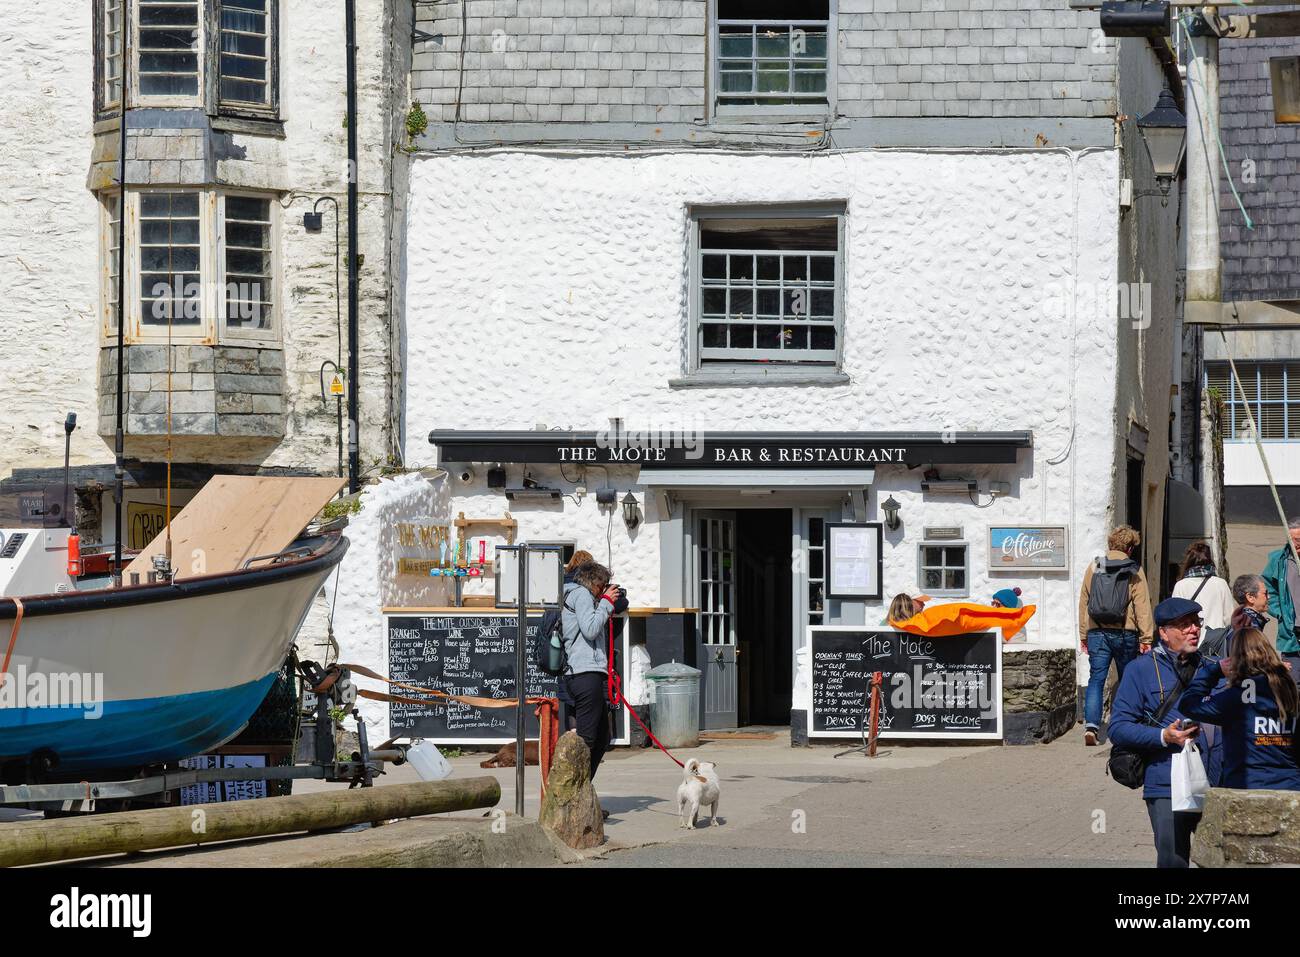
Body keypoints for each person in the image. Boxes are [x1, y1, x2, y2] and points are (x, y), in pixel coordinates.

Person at [1108, 596, 1219, 868]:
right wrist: (1163, 736)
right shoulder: (1140, 670)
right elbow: (1118, 727)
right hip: (1166, 781)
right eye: (1184, 625)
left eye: (1196, 623)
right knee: (1173, 861)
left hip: (1214, 781)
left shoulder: (1211, 667)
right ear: (1163, 633)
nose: (1194, 629)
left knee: (1220, 860)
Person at [1178, 628, 1300, 791]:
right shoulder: (1290, 692)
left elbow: (1188, 704)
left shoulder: (1236, 698)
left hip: (1246, 789)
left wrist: (1214, 671)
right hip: (1290, 788)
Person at [1078, 525, 1155, 746]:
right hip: (1125, 633)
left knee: (1096, 679)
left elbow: (1084, 601)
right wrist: (1146, 638)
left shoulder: (1095, 566)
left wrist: (1084, 634)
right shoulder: (1134, 569)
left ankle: (1091, 727)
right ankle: (1123, 722)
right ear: (1130, 548)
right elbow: (1142, 606)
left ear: (1111, 544)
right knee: (1128, 678)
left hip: (1097, 632)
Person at [560, 561, 627, 785]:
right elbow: (590, 629)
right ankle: (572, 792)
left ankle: (582, 790)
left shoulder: (583, 596)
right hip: (584, 673)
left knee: (601, 738)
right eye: (603, 584)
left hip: (590, 672)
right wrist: (606, 603)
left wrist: (607, 603)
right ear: (594, 582)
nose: (605, 588)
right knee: (588, 739)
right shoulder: (581, 595)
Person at [556, 550, 596, 731]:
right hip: (583, 658)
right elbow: (590, 629)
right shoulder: (585, 590)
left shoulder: (560, 585)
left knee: (571, 703)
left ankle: (572, 745)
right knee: (588, 705)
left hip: (562, 655)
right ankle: (584, 747)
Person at [1262, 518, 1300, 680]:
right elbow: (1267, 588)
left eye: (1298, 540)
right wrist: (1280, 612)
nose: (1296, 544)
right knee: (1292, 683)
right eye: (1293, 540)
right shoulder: (1278, 560)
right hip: (1291, 634)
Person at [1171, 542, 1234, 632]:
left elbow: (1176, 617)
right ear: (1210, 561)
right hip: (1216, 641)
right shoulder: (1221, 584)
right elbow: (1229, 618)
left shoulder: (1181, 586)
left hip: (1190, 639)